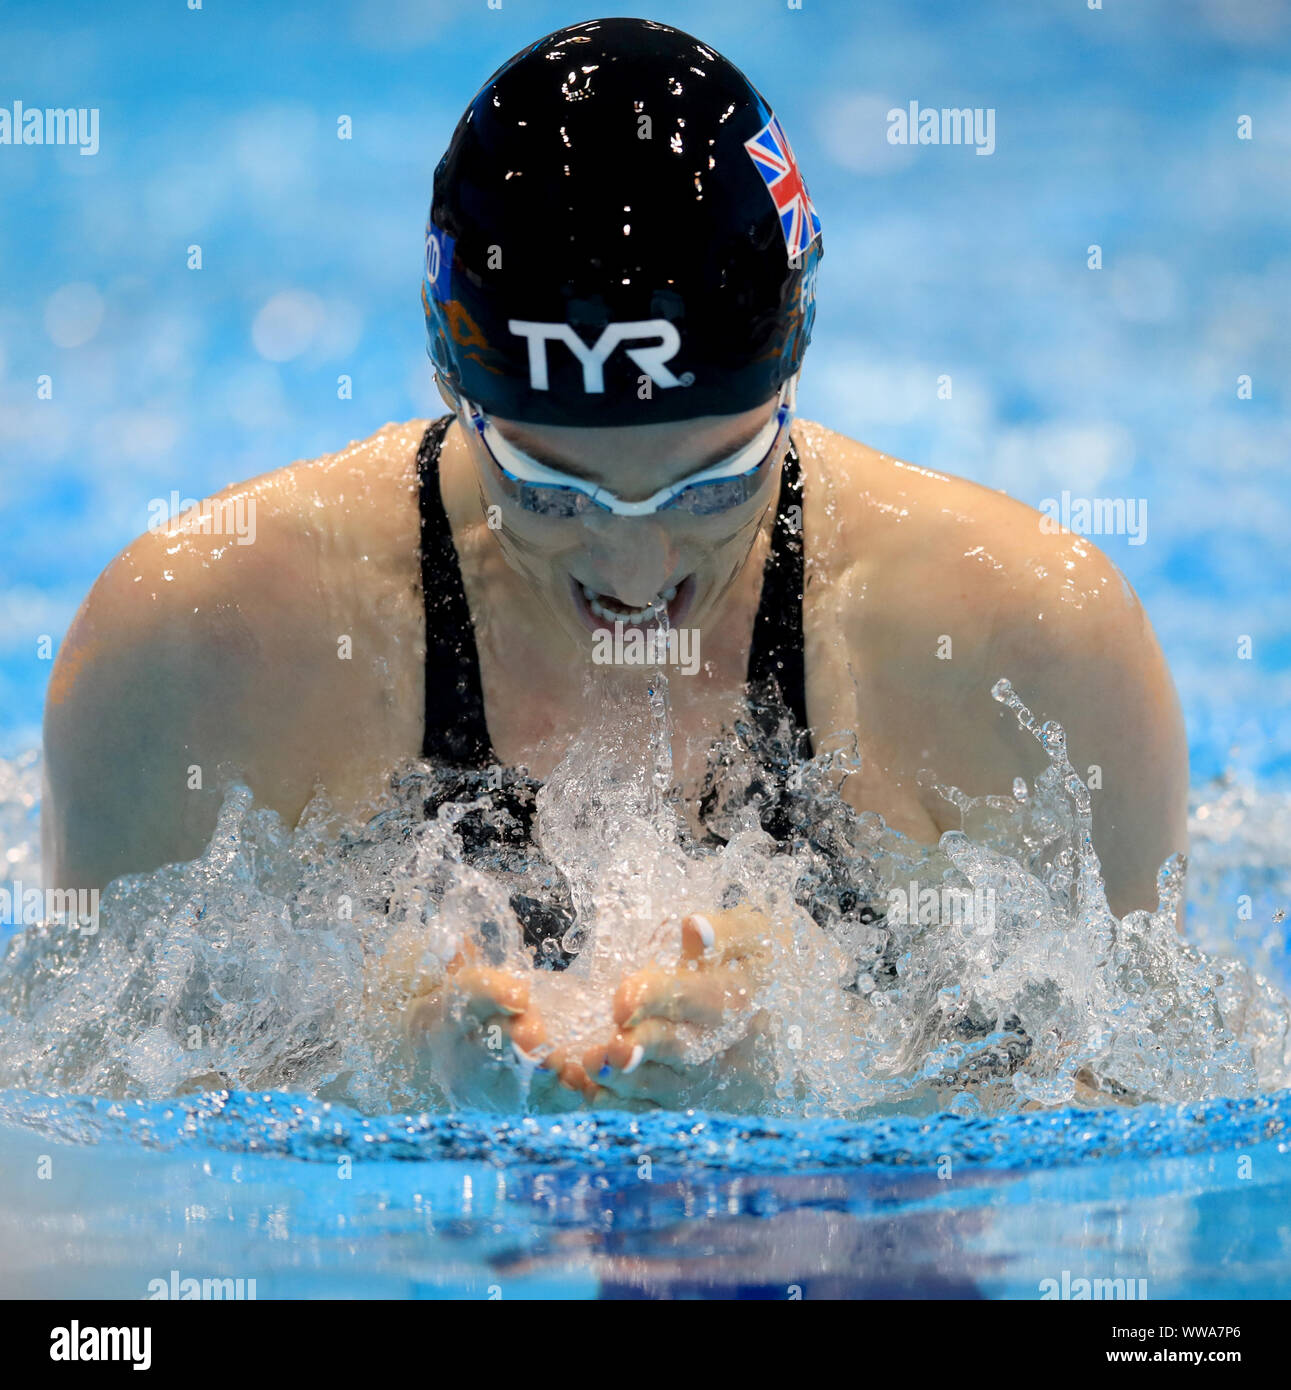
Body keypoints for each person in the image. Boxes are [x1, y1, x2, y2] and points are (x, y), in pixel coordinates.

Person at [42, 18, 1188, 1108]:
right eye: (550, 491)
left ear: (794, 372)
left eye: (710, 486)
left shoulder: (1029, 645)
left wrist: (826, 1093)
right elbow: (72, 1130)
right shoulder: (194, 648)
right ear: (452, 384)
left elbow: (1150, 1120)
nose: (636, 572)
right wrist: (376, 1070)